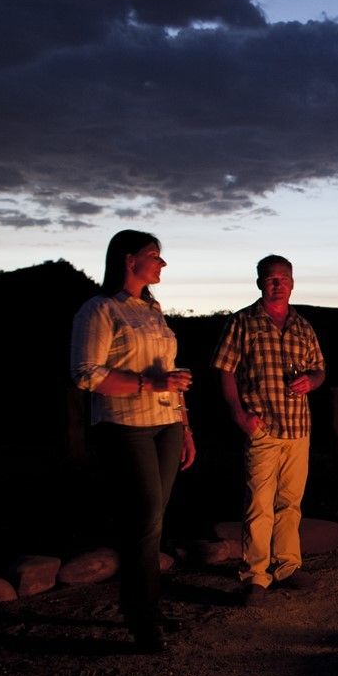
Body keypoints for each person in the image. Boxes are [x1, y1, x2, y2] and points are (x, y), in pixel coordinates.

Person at [70, 230, 196, 654]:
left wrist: (186, 426)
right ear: (129, 260)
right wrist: (148, 382)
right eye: (155, 256)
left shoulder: (154, 311)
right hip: (126, 424)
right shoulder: (101, 309)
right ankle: (143, 617)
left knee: (153, 520)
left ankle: (144, 607)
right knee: (143, 519)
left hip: (166, 423)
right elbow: (86, 373)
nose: (162, 265)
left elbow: (171, 371)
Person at [212, 255, 327, 607]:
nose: (277, 283)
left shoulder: (303, 326)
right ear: (260, 282)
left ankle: (288, 566)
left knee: (290, 502)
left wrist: (313, 380)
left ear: (293, 282)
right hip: (262, 424)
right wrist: (239, 414)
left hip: (298, 426)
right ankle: (256, 576)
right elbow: (226, 370)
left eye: (283, 278)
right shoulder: (243, 322)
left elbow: (319, 370)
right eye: (270, 278)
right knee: (259, 503)